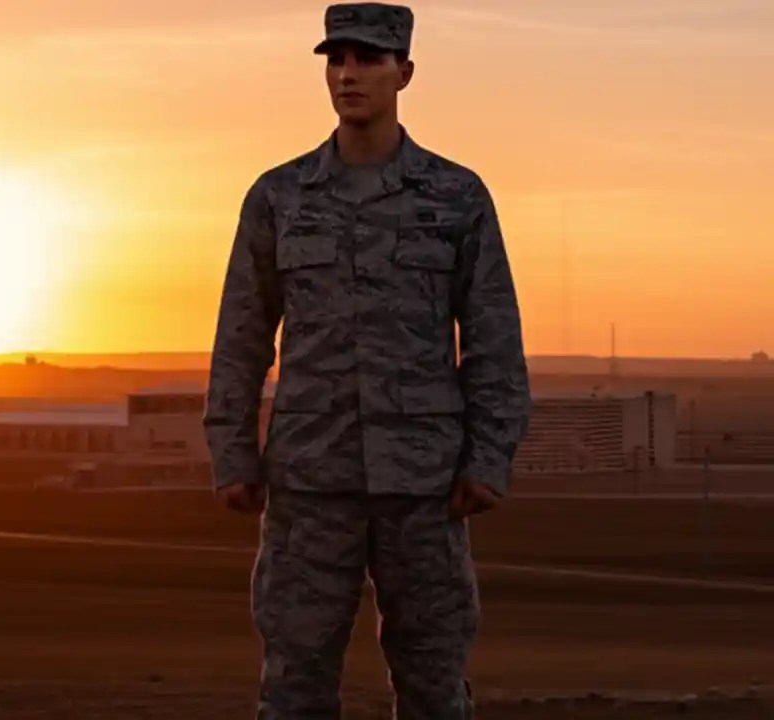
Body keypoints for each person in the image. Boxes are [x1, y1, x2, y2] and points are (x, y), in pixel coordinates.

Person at [201, 3, 531, 718]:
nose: (348, 74)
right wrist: (231, 452)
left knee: (433, 683)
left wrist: (488, 458)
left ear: (403, 72)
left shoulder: (455, 196)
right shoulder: (279, 197)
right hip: (310, 486)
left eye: (368, 59)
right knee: (294, 683)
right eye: (336, 59)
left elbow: (494, 338)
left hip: (424, 486)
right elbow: (243, 334)